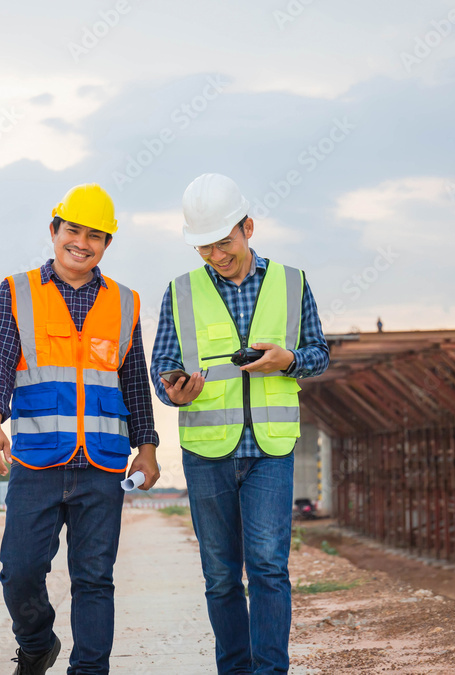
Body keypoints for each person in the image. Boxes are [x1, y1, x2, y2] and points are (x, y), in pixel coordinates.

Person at [0, 183, 160, 675]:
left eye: (95, 235)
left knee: (95, 579)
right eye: (72, 230)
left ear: (107, 244)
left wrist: (147, 447)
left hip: (103, 463)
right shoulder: (16, 290)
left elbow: (134, 383)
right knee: (19, 571)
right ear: (53, 231)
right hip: (36, 458)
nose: (82, 242)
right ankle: (36, 642)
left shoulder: (126, 302)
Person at [150, 173, 329, 674]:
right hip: (207, 452)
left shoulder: (292, 283)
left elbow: (319, 354)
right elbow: (162, 364)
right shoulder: (179, 292)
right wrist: (174, 389)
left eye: (224, 242)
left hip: (270, 450)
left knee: (269, 569)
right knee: (221, 576)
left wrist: (288, 360)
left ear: (248, 227)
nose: (216, 255)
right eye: (204, 247)